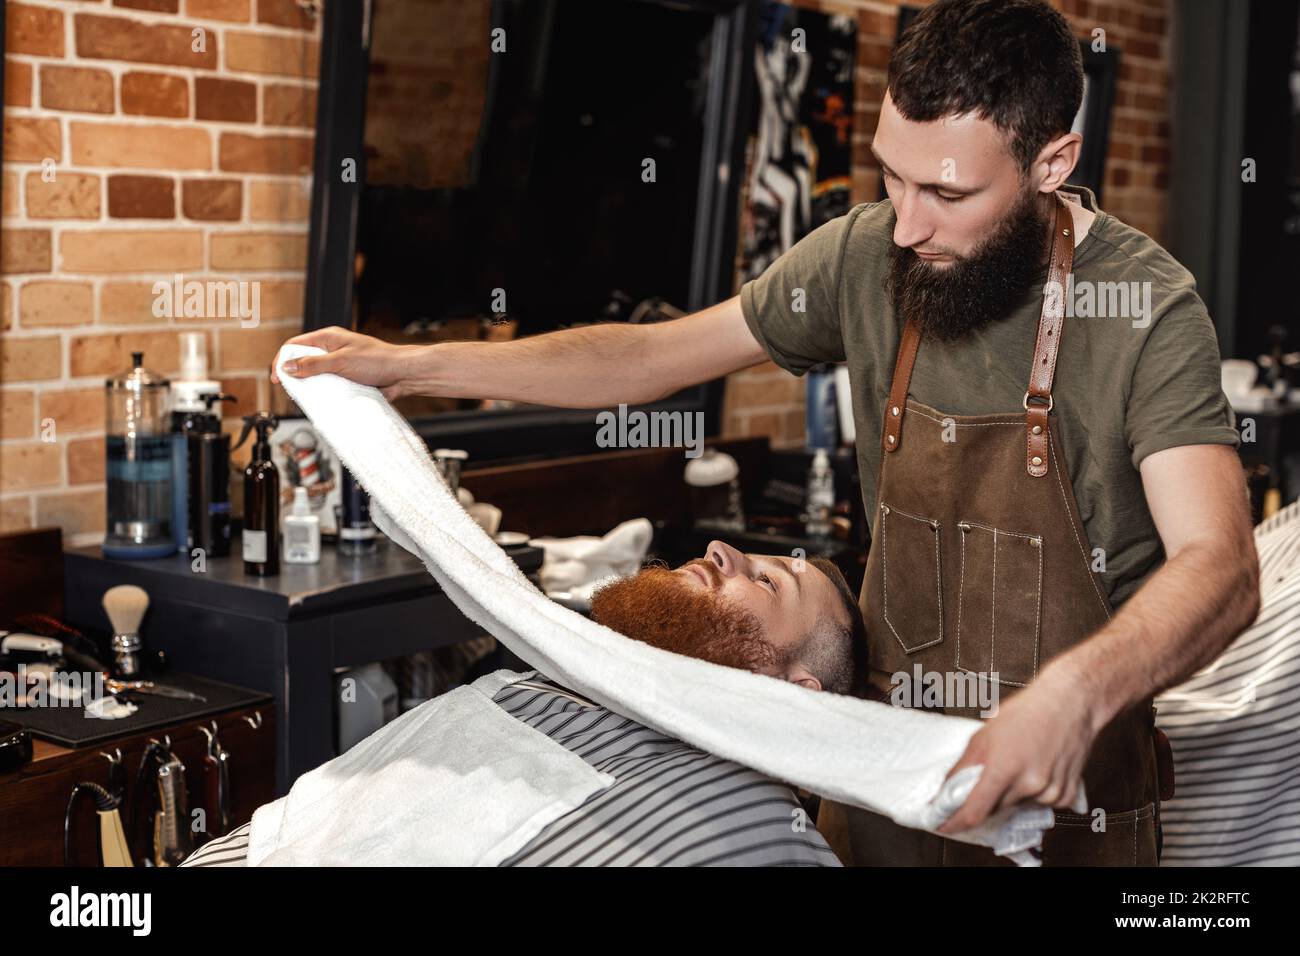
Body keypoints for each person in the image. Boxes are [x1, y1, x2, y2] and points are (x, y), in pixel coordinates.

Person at [272, 0, 1260, 866]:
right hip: (887, 794)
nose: (905, 224)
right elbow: (647, 358)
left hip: (1068, 814)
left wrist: (1073, 696)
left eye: (948, 195)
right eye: (891, 178)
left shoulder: (1146, 309)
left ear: (1052, 161)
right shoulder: (865, 257)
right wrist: (412, 366)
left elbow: (1219, 563)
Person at [182, 547, 865, 868]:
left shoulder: (759, 837)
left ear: (797, 694)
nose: (724, 551)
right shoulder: (522, 688)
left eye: (769, 581)